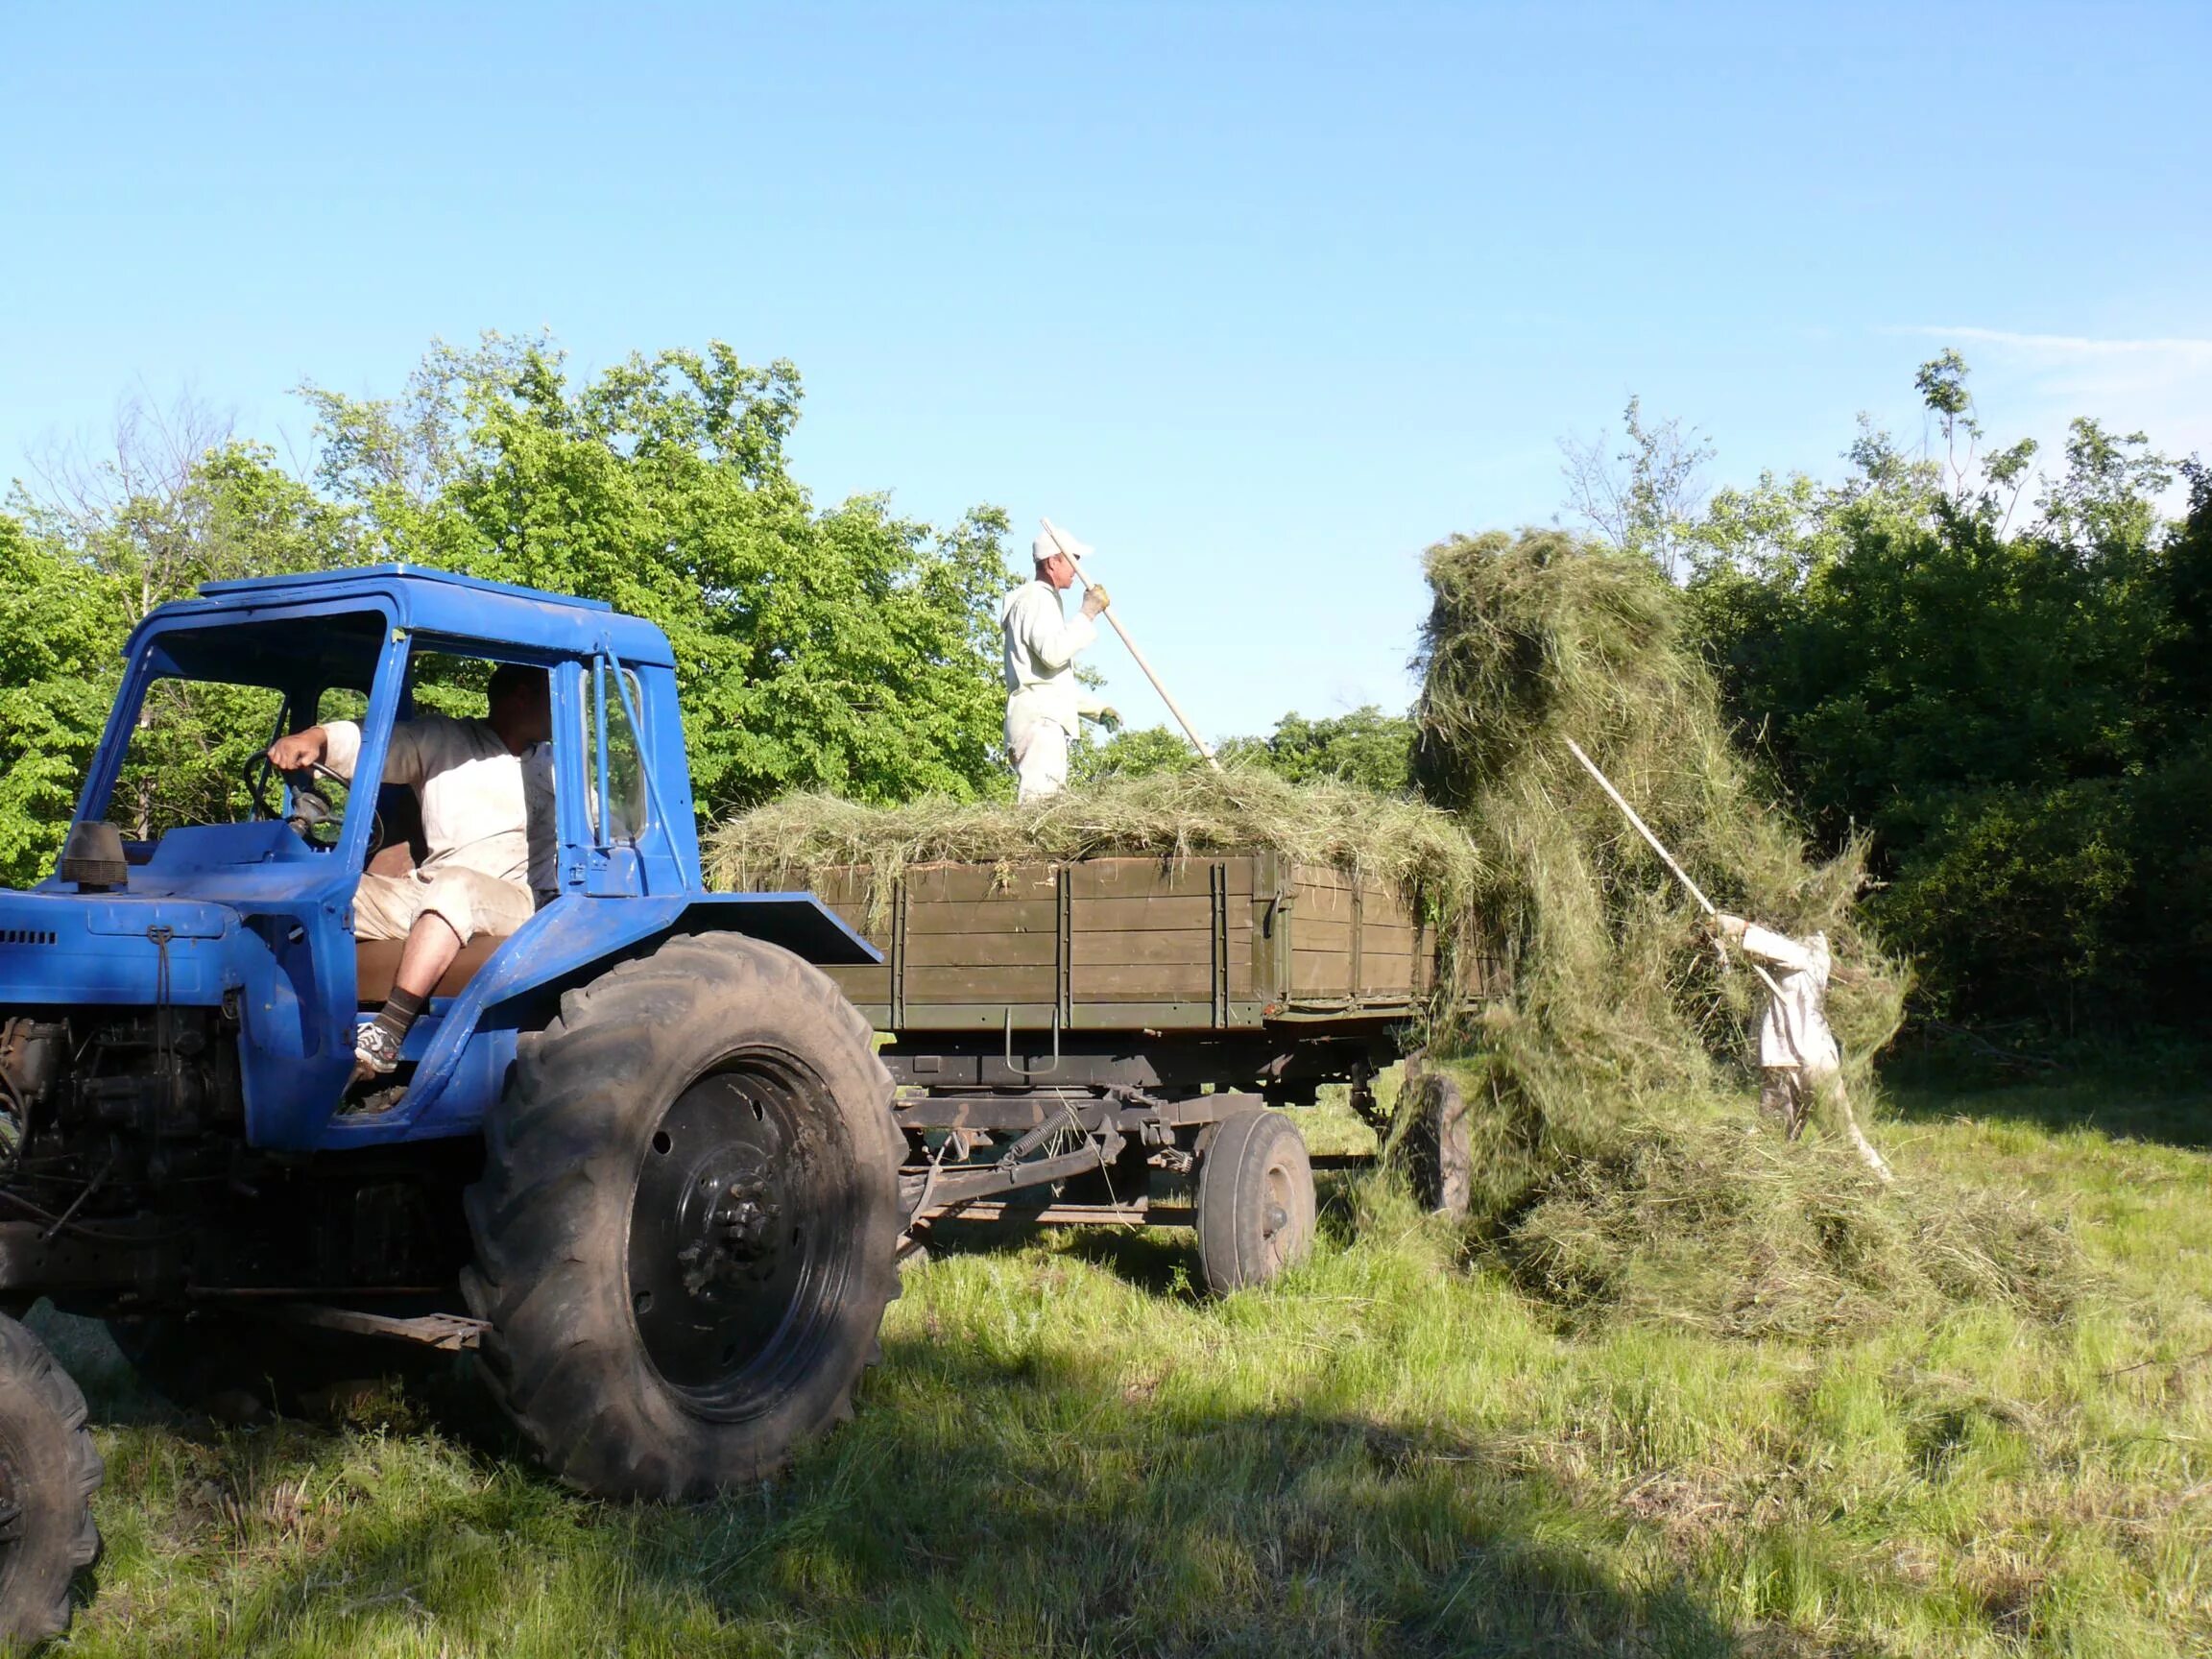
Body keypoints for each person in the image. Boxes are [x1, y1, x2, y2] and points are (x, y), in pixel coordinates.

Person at [266, 664, 552, 1083]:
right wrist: (316, 739)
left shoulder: (556, 767)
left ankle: (388, 1032)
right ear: (522, 697)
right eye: (552, 697)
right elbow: (377, 745)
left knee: (456, 885)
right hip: (434, 890)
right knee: (321, 890)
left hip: (518, 898)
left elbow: (607, 828)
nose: (561, 710)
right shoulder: (446, 739)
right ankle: (277, 1027)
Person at [1002, 521, 1119, 801]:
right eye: (1073, 560)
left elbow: (1050, 685)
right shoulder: (1036, 599)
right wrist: (1087, 613)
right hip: (1040, 723)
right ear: (1053, 562)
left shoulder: (1042, 600)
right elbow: (1053, 653)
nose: (1077, 570)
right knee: (1039, 807)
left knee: (1048, 803)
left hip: (1040, 717)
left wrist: (1097, 710)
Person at [1710, 912, 1839, 1139]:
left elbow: (1767, 943)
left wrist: (1735, 925)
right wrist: (1722, 951)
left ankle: (1872, 1166)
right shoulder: (1778, 960)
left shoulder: (1810, 947)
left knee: (1844, 1139)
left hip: (1811, 1061)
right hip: (1781, 1062)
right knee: (1774, 1140)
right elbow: (1738, 983)